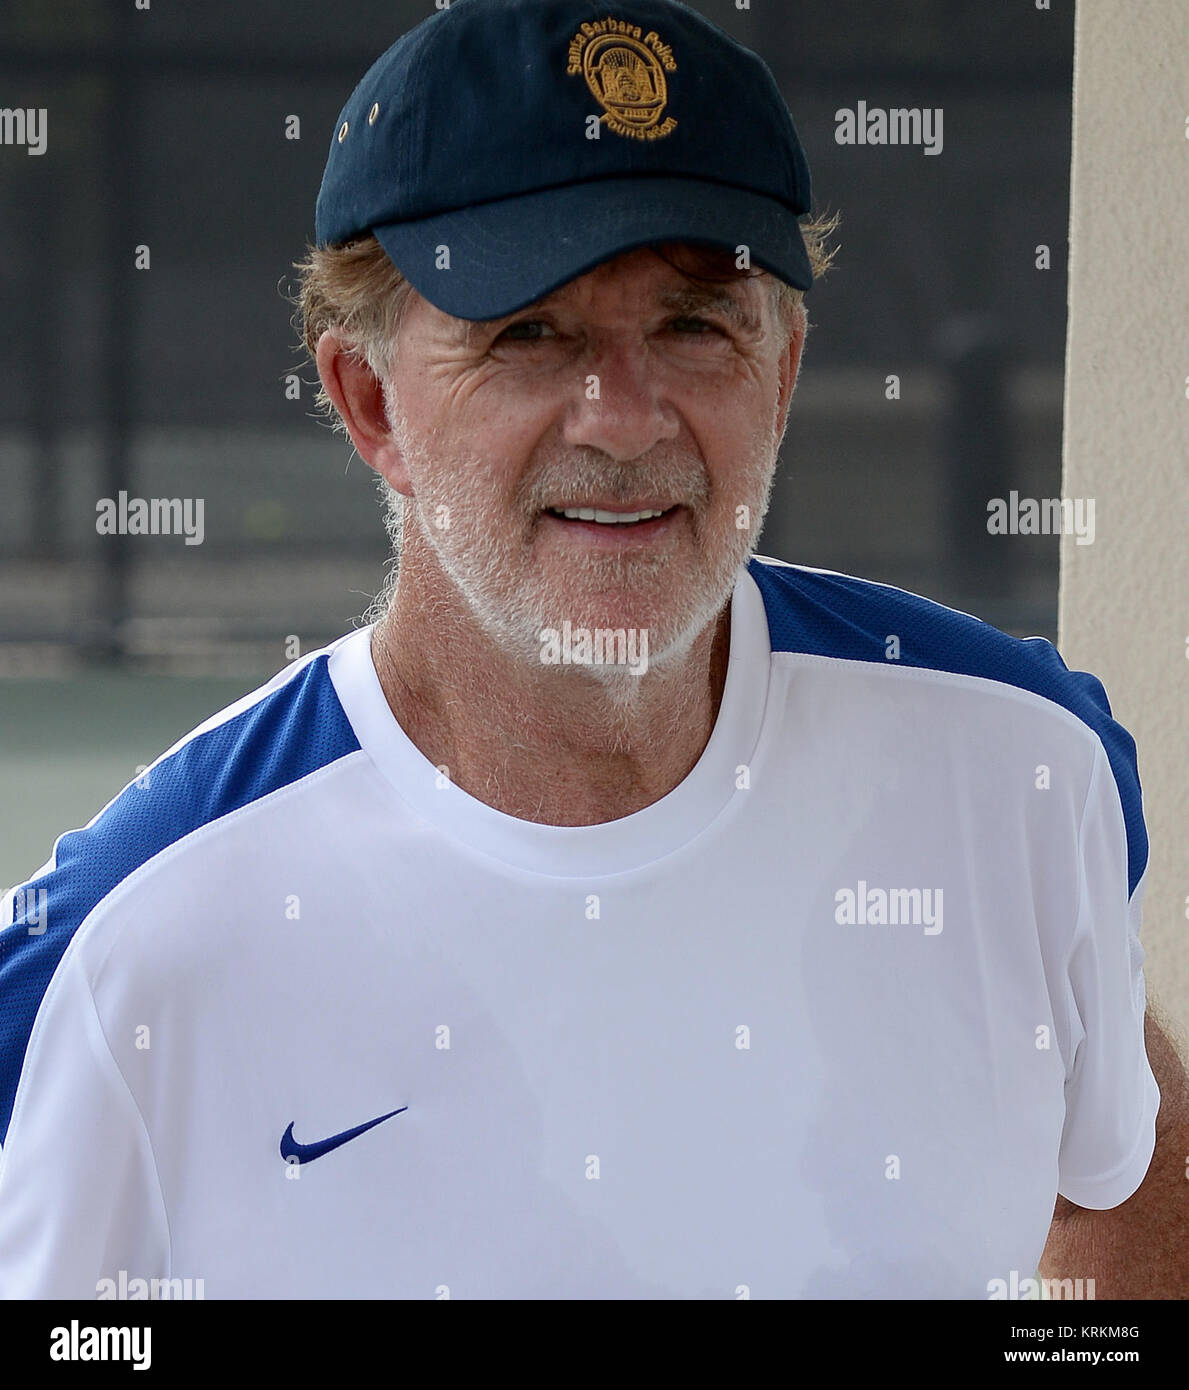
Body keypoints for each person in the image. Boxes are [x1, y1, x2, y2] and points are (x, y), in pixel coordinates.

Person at [0, 0, 1185, 1300]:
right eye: (528, 333)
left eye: (693, 324)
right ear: (368, 402)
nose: (621, 420)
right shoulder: (128, 948)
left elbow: (1123, 1162)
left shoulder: (1018, 763)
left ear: (780, 372)